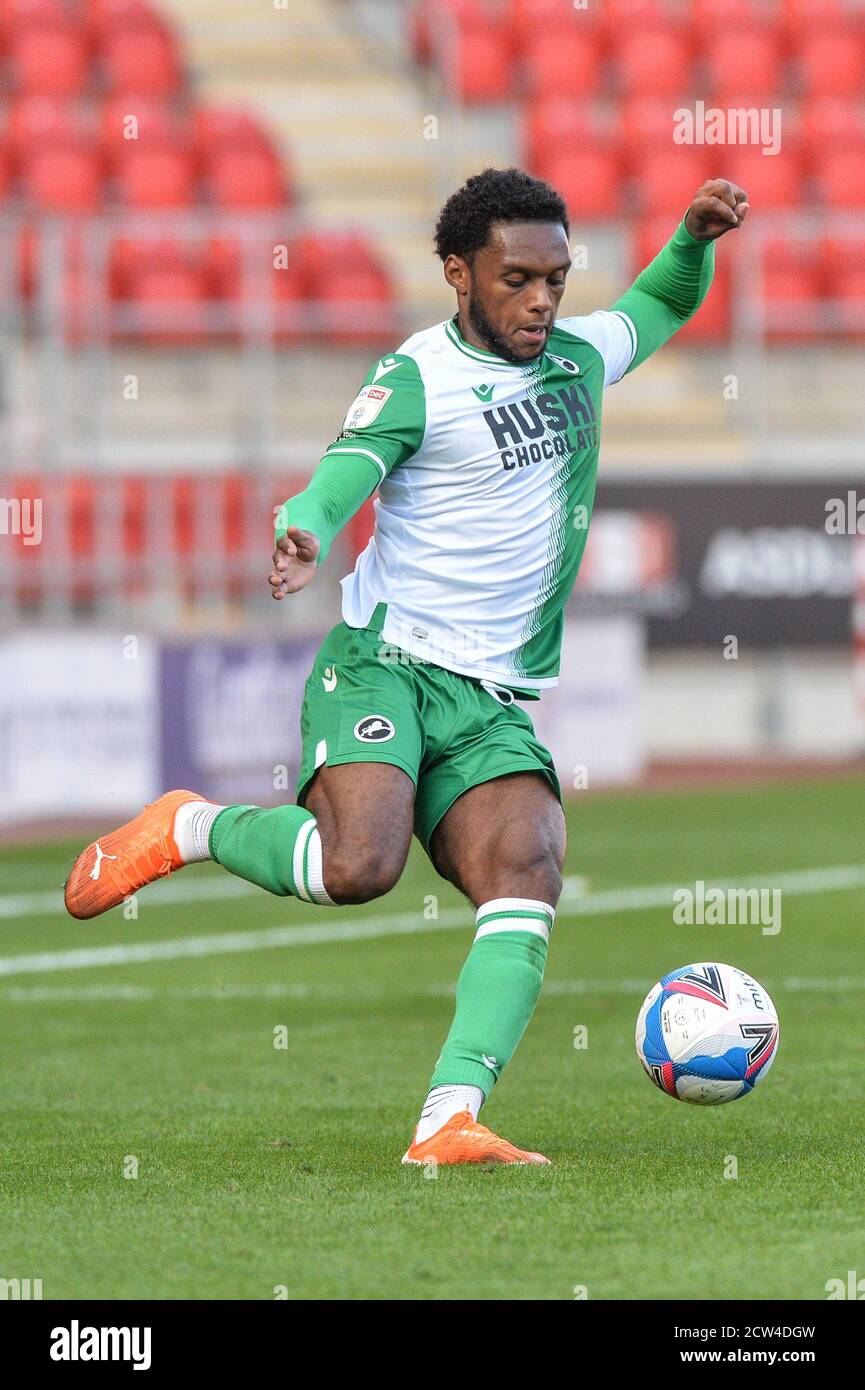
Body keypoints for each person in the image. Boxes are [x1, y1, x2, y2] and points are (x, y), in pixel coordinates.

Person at [65, 167, 749, 1165]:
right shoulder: (419, 375)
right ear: (456, 272)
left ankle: (449, 1120)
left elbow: (660, 302)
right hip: (384, 665)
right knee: (359, 868)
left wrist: (691, 236)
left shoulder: (575, 358)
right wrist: (304, 523)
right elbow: (349, 466)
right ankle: (191, 825)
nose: (540, 300)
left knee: (527, 866)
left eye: (556, 279)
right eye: (516, 278)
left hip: (494, 699)